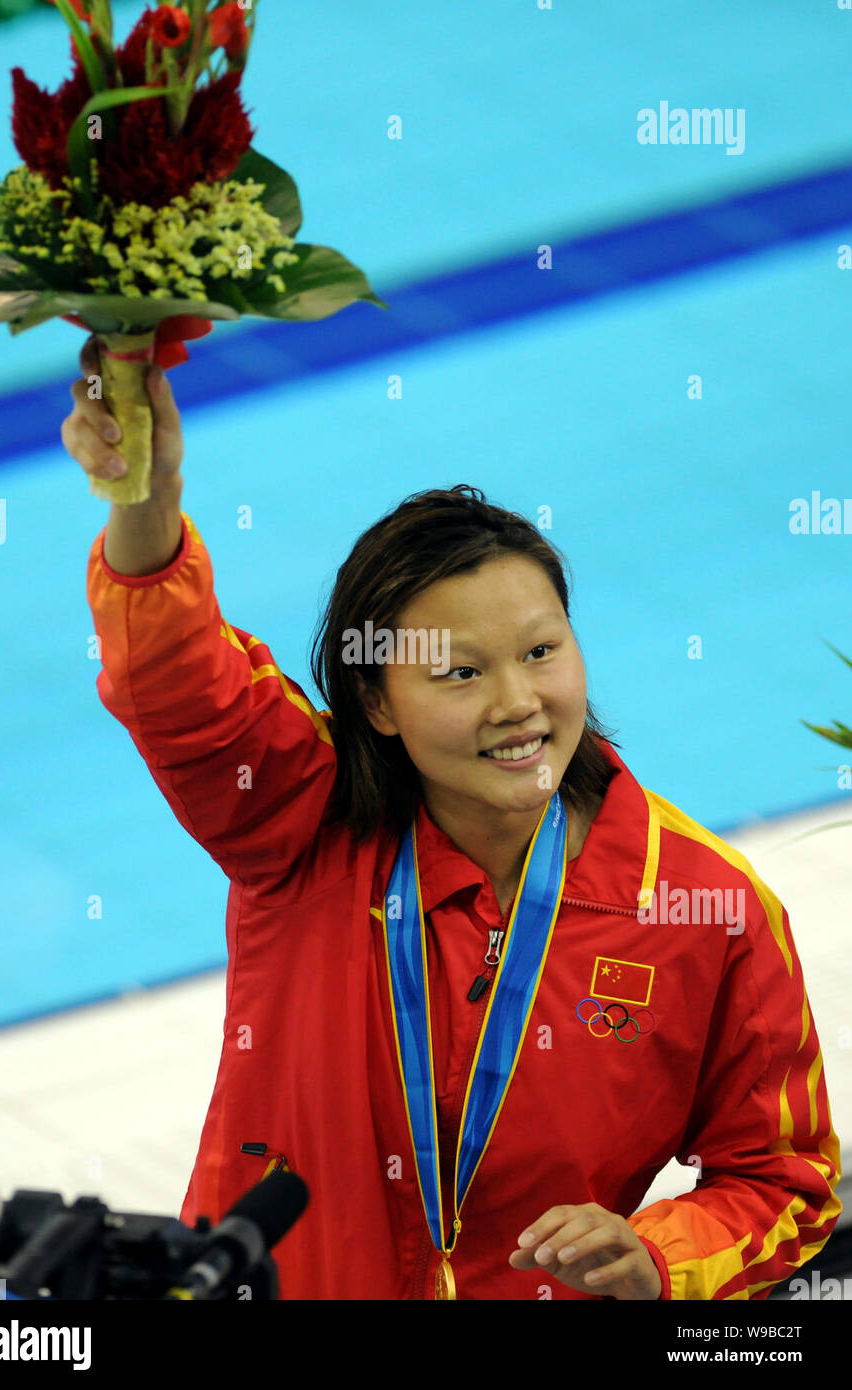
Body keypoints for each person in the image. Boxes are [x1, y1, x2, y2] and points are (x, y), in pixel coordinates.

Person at [61, 338, 842, 1300]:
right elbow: (171, 675)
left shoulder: (705, 908)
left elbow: (782, 1183)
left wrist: (659, 1258)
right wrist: (147, 489)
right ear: (377, 703)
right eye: (460, 674)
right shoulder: (303, 824)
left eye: (542, 651)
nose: (518, 702)